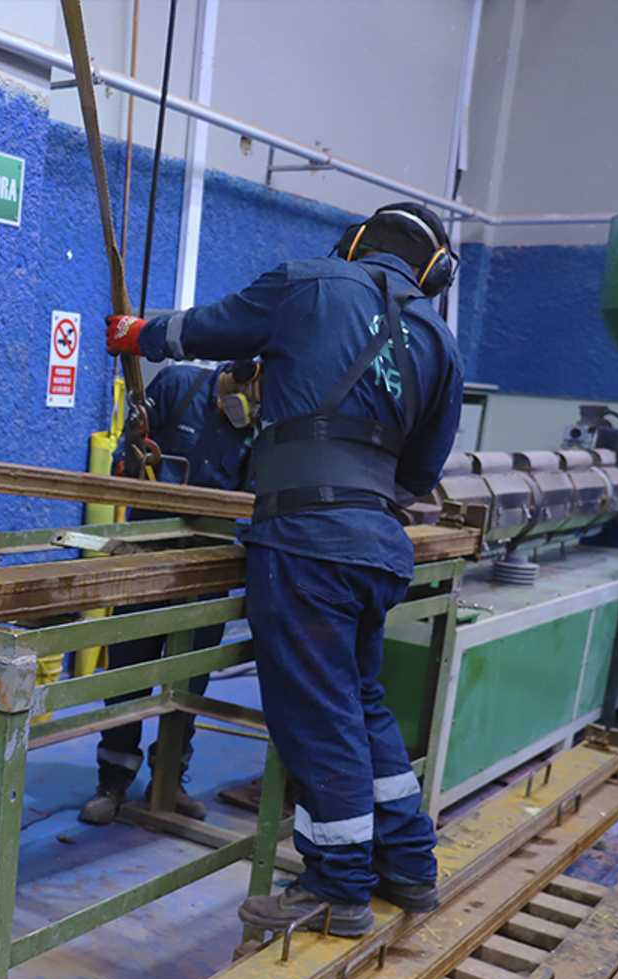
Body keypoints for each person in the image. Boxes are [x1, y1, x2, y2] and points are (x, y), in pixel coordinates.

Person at [105, 203, 464, 938]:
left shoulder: (309, 285)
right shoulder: (440, 342)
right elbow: (423, 472)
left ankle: (337, 888)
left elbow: (206, 329)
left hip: (305, 541)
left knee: (316, 713)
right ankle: (410, 865)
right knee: (362, 703)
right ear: (433, 273)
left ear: (356, 243)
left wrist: (138, 333)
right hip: (377, 547)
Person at [79, 359, 254, 826]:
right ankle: (112, 782)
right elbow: (123, 459)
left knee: (189, 679)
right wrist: (133, 456)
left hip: (207, 566)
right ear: (239, 373)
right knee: (127, 673)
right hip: (148, 556)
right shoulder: (179, 384)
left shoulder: (261, 426)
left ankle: (169, 781)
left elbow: (254, 496)